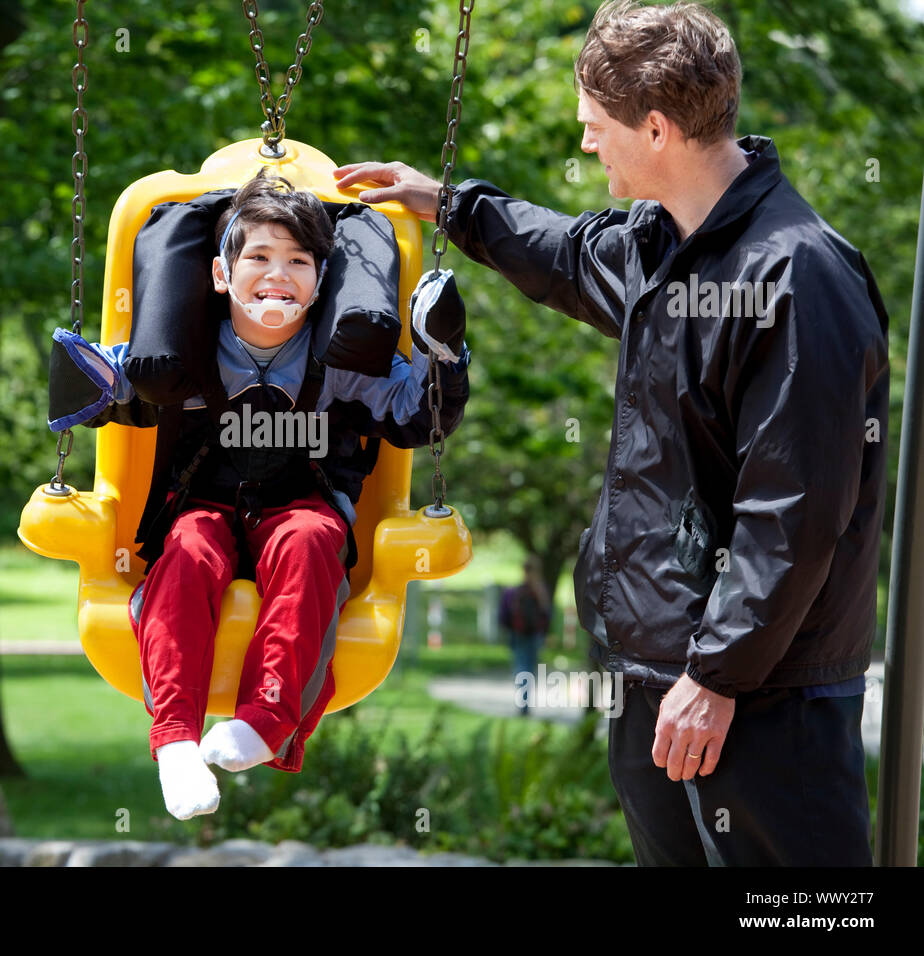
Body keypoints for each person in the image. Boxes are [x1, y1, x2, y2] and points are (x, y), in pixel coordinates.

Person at [335, 0, 888, 865]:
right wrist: (449, 205)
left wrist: (716, 677)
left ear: (658, 128)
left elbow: (794, 510)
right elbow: (560, 251)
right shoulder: (657, 241)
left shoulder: (798, 276)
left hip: (761, 697)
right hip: (656, 675)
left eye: (596, 125)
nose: (587, 143)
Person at [59, 170, 471, 820]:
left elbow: (415, 416)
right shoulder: (186, 351)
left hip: (299, 508)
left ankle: (266, 719)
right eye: (258, 257)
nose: (277, 275)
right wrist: (88, 382)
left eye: (298, 262)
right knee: (188, 549)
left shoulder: (343, 358)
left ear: (320, 280)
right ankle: (174, 742)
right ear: (222, 275)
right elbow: (119, 387)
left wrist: (442, 355)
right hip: (205, 508)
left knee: (310, 539)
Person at [499, 555, 553, 716]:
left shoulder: (514, 591)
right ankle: (525, 702)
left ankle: (522, 701)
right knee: (528, 668)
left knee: (520, 666)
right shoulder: (541, 592)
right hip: (534, 635)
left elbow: (503, 615)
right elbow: (547, 615)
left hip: (517, 634)